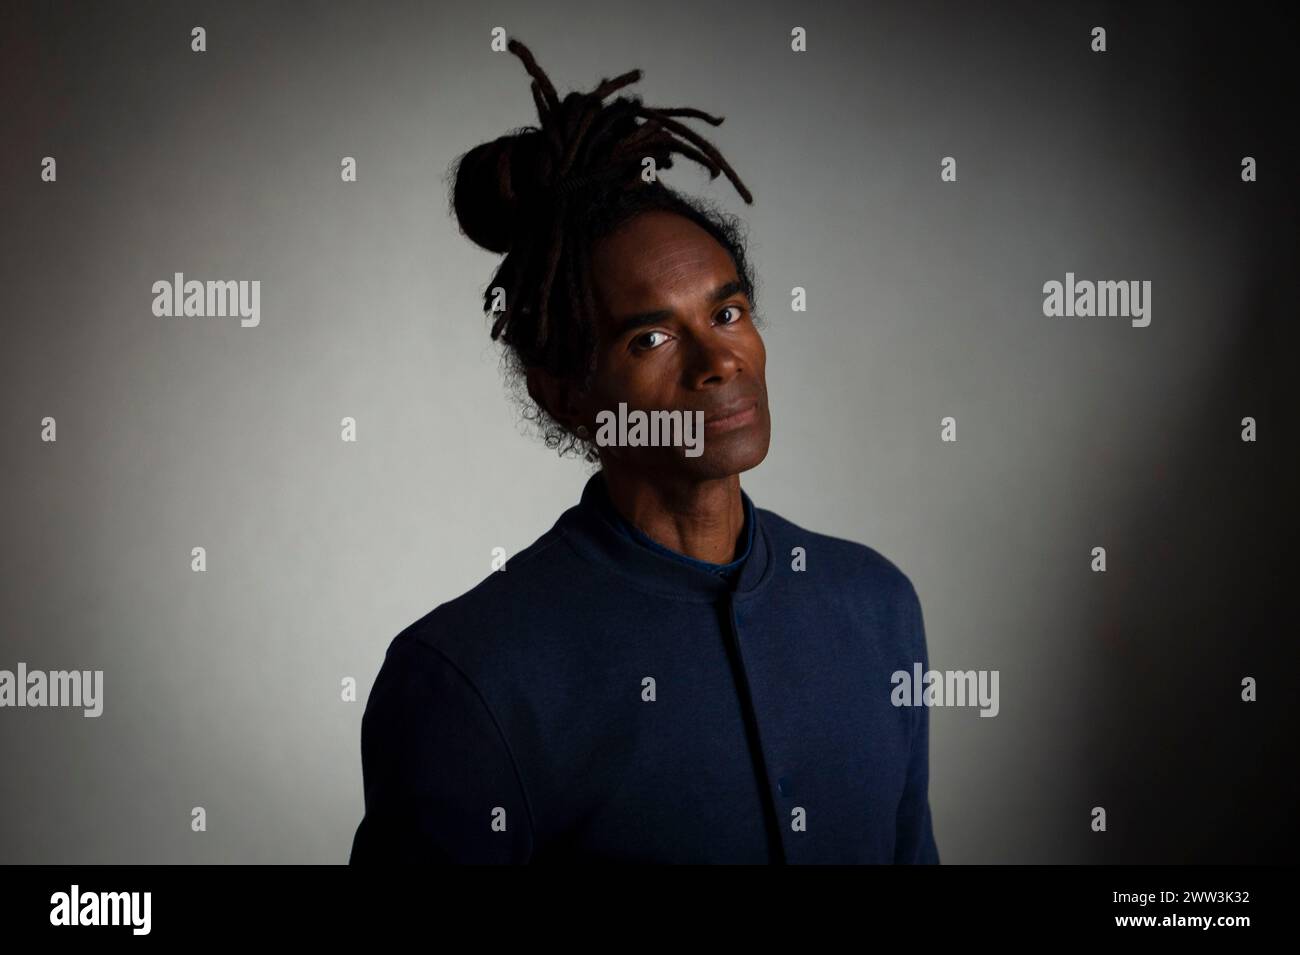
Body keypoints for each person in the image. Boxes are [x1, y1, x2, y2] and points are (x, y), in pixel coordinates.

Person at [349, 37, 939, 864]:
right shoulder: (468, 678)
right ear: (564, 392)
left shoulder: (876, 607)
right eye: (653, 336)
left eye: (728, 313)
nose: (718, 361)